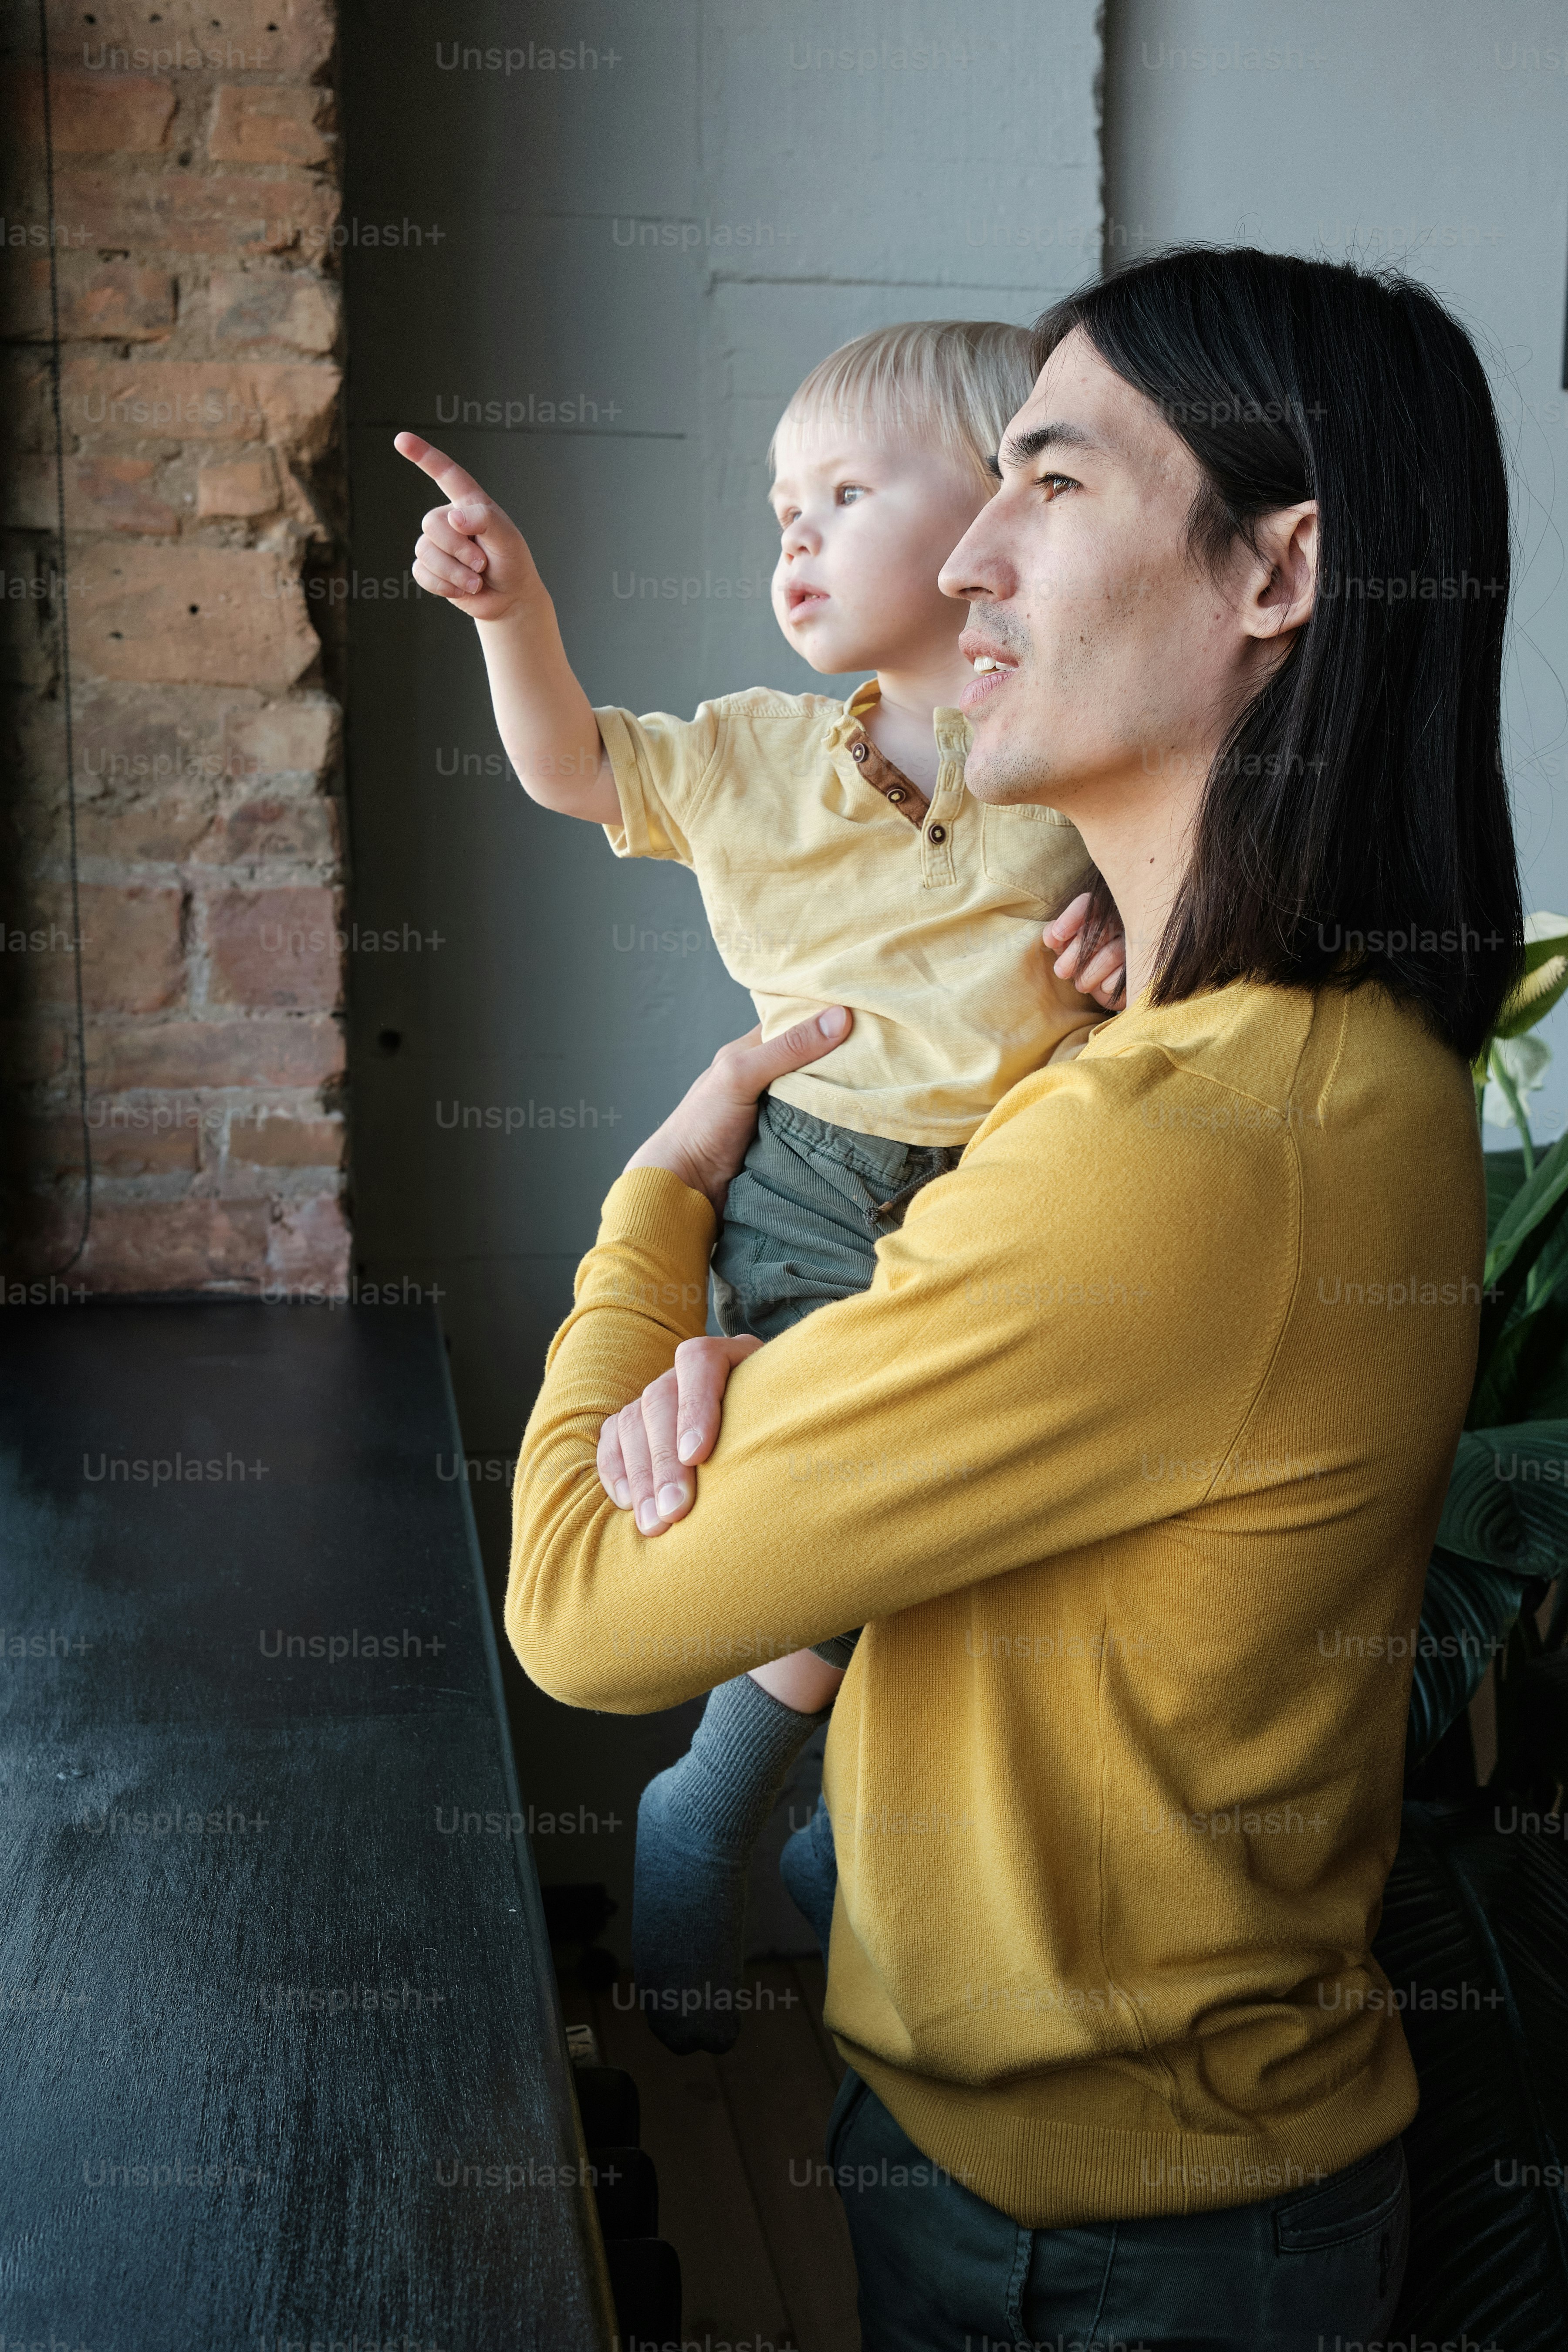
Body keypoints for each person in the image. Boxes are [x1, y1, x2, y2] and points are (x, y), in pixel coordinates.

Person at [508, 247, 1522, 2349]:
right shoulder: (1321, 1054)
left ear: (1278, 573)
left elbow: (582, 1600)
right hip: (1088, 2170)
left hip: (1109, 2246)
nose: (964, 558)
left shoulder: (1175, 1151)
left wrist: (669, 1189)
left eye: (1046, 485)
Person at [395, 321, 1125, 2053]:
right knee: (841, 1499)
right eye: (779, 507)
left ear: (999, 523)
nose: (791, 536)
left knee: (971, 1537)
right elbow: (576, 767)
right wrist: (516, 621)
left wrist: (1131, 943)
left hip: (1006, 1195)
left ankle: (814, 1845)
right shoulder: (753, 757)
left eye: (844, 494)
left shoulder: (1078, 767)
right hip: (807, 1178)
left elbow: (1188, 934)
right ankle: (722, 1806)